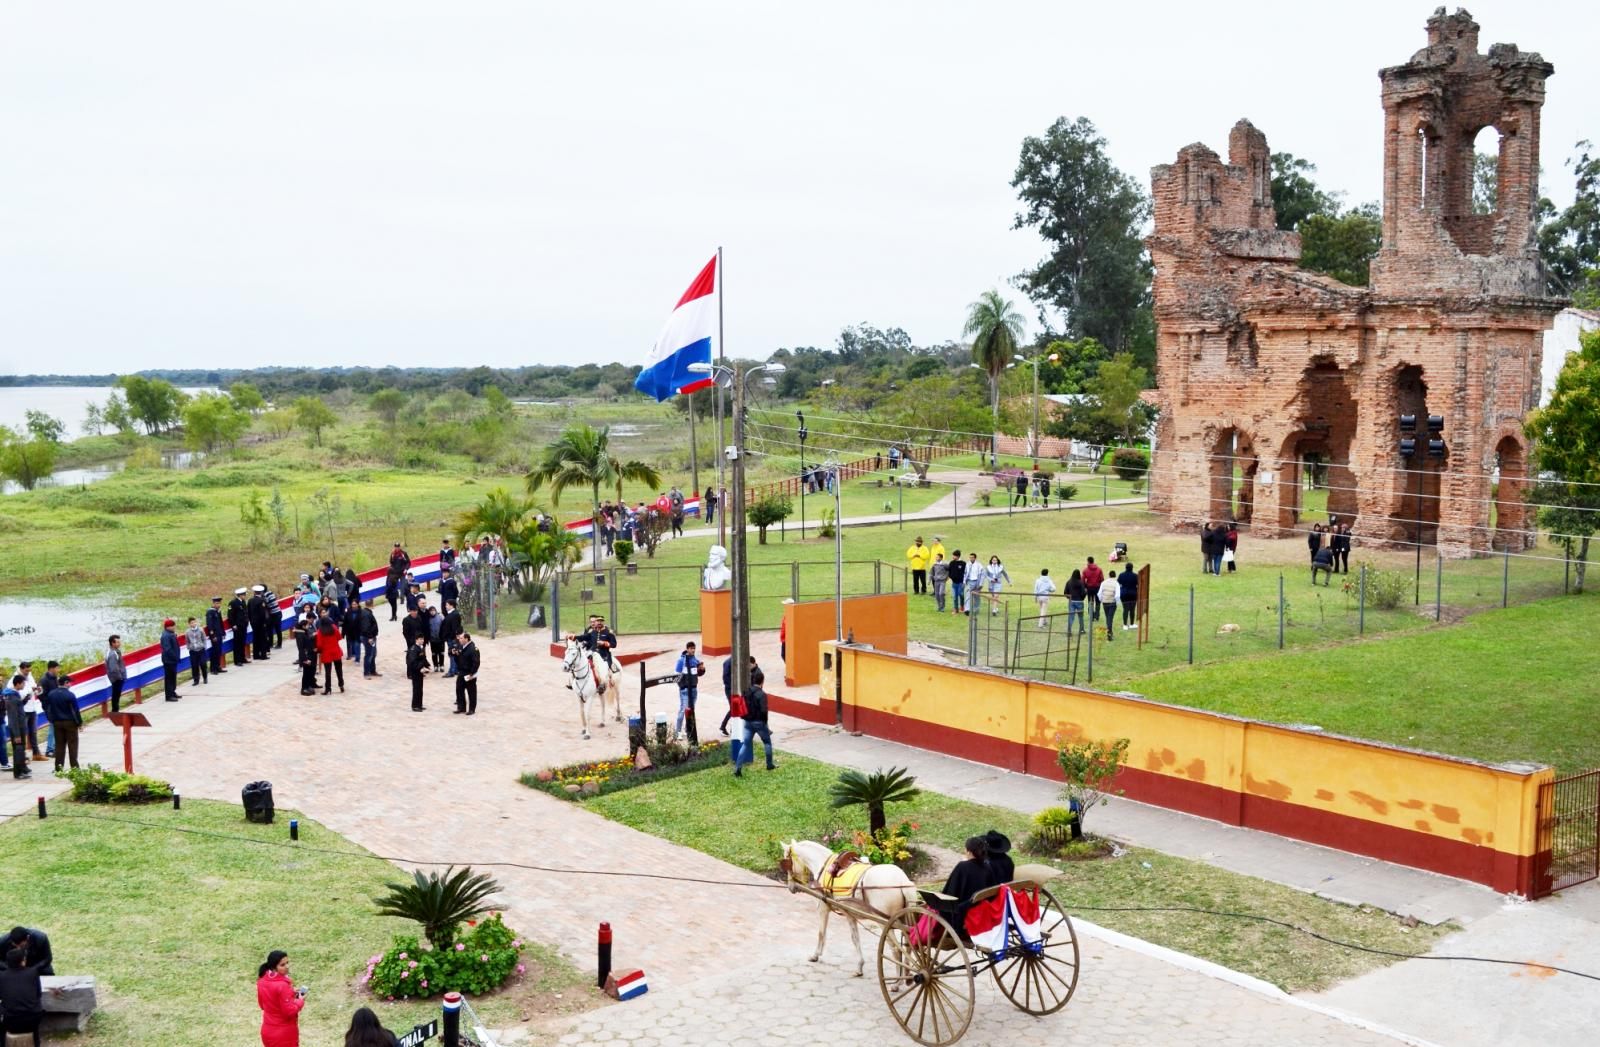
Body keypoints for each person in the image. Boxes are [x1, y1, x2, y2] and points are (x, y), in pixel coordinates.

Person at [934, 836, 994, 934]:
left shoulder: (962, 866)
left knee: (938, 905)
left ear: (969, 851)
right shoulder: (987, 867)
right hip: (981, 908)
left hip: (962, 913)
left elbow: (951, 891)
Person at [256, 950, 305, 1047]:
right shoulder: (282, 985)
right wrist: (300, 1001)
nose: (287, 966)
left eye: (287, 963)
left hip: (267, 1032)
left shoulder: (261, 982)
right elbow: (289, 1012)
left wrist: (290, 994)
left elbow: (263, 1005)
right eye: (282, 965)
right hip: (284, 1035)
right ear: (274, 967)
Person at [733, 667, 775, 776]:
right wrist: (765, 724)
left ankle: (738, 768)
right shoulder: (762, 694)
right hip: (759, 722)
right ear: (762, 681)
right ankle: (769, 764)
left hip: (747, 722)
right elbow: (764, 711)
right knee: (767, 742)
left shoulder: (747, 692)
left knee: (745, 744)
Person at [0, 946, 44, 1047]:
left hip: (11, 1021)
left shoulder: (2, 976)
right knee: (34, 1024)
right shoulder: (33, 973)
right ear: (22, 961)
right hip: (33, 1019)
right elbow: (38, 994)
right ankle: (36, 1043)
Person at [673, 641, 704, 737]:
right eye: (691, 648)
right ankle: (677, 732)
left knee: (690, 711)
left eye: (694, 648)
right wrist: (682, 687)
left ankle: (688, 730)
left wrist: (702, 670)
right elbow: (676, 676)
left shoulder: (696, 661)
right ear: (687, 649)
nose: (693, 650)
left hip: (694, 690)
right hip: (685, 690)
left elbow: (699, 674)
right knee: (683, 710)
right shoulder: (681, 661)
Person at [4, 677, 30, 779]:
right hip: (17, 729)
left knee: (20, 749)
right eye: (23, 683)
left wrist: (24, 701)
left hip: (20, 727)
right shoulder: (11, 697)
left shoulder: (15, 696)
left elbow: (18, 709)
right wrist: (17, 734)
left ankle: (22, 769)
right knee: (18, 751)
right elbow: (13, 717)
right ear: (18, 684)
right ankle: (18, 773)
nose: (24, 685)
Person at [315, 616, 345, 695]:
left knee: (328, 672)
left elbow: (319, 645)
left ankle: (328, 688)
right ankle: (341, 685)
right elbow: (339, 637)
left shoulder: (320, 631)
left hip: (326, 653)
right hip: (336, 651)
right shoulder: (334, 628)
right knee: (339, 670)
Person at [454, 631, 479, 715]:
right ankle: (461, 707)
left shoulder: (473, 649)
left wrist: (472, 673)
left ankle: (472, 709)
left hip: (469, 673)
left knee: (471, 691)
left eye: (461, 638)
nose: (459, 640)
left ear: (466, 639)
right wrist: (455, 654)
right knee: (459, 689)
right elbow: (460, 658)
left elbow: (476, 662)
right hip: (461, 671)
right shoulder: (462, 646)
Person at [159, 618, 184, 701]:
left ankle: (172, 692)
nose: (174, 627)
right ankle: (169, 696)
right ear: (168, 627)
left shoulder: (170, 633)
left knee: (173, 677)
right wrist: (175, 657)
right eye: (173, 626)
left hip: (172, 660)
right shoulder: (166, 636)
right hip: (169, 660)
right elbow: (167, 649)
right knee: (169, 678)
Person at [294, 615, 318, 696]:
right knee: (306, 674)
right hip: (306, 657)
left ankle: (308, 686)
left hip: (309, 655)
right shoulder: (300, 636)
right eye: (307, 625)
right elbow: (301, 649)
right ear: (303, 626)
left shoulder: (304, 633)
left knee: (308, 673)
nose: (308, 626)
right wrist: (305, 659)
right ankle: (304, 688)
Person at [406, 634, 430, 712]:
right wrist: (420, 668)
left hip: (420, 671)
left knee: (420, 689)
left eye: (423, 639)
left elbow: (423, 658)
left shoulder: (421, 648)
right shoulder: (413, 649)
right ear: (416, 640)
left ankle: (419, 704)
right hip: (415, 672)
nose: (422, 641)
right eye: (420, 639)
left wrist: (427, 665)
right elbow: (412, 662)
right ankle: (415, 706)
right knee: (416, 689)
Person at [205, 598, 229, 675]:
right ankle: (213, 668)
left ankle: (218, 666)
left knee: (219, 651)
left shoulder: (218, 611)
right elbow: (210, 625)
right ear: (213, 604)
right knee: (214, 652)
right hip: (215, 635)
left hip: (219, 634)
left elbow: (220, 623)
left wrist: (223, 633)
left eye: (219, 603)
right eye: (217, 603)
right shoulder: (210, 612)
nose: (218, 605)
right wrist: (213, 635)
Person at [358, 599, 381, 678]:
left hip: (370, 636)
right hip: (369, 637)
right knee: (369, 654)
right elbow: (366, 627)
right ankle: (366, 673)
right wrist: (370, 637)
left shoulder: (366, 612)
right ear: (372, 604)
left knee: (373, 654)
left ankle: (372, 670)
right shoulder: (366, 614)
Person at [105, 634, 127, 713]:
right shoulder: (112, 654)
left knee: (116, 695)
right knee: (116, 695)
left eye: (119, 642)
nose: (119, 643)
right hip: (117, 678)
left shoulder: (115, 651)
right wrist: (120, 677)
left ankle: (115, 711)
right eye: (117, 642)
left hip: (117, 678)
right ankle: (115, 711)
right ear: (112, 643)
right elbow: (113, 668)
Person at [229, 588, 251, 664]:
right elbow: (230, 615)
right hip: (237, 626)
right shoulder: (233, 603)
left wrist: (247, 620)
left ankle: (242, 658)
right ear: (240, 595)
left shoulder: (243, 602)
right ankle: (237, 660)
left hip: (243, 625)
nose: (245, 596)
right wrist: (233, 625)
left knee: (242, 642)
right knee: (237, 643)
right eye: (244, 595)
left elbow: (245, 612)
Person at [1096, 571, 1120, 641]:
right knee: (1110, 618)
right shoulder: (1116, 583)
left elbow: (1099, 593)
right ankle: (1109, 634)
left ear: (1109, 575)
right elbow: (1117, 595)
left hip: (1105, 602)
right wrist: (1117, 602)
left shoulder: (1103, 583)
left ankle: (1110, 632)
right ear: (1115, 576)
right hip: (1112, 603)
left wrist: (1102, 600)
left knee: (1108, 617)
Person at [1064, 568, 1088, 636]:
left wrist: (1069, 598)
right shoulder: (1081, 582)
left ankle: (1069, 631)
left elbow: (1065, 592)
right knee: (1081, 616)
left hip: (1071, 601)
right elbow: (1083, 592)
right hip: (1079, 601)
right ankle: (1082, 630)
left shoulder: (1069, 582)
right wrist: (1083, 597)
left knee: (1071, 616)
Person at [186, 617, 209, 686]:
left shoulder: (200, 630)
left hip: (201, 650)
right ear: (189, 624)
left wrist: (204, 646)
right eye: (191, 623)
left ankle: (205, 677)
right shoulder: (187, 632)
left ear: (196, 622)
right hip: (193, 651)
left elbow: (204, 638)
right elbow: (187, 641)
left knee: (203, 664)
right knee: (194, 666)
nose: (193, 624)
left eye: (194, 622)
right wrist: (189, 647)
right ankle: (196, 680)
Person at [1118, 563, 1139, 630]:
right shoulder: (1135, 576)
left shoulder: (1121, 575)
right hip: (1133, 594)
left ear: (1125, 568)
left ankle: (1125, 625)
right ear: (1132, 568)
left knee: (1125, 609)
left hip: (1124, 594)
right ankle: (1132, 624)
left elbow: (1119, 583)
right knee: (1132, 609)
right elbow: (1138, 584)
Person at [946, 550, 966, 617]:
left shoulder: (963, 563)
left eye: (954, 556)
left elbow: (965, 573)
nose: (953, 557)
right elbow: (950, 571)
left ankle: (962, 606)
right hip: (954, 583)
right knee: (955, 597)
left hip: (961, 583)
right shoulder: (951, 563)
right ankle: (956, 609)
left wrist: (964, 582)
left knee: (961, 594)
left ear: (957, 556)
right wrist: (949, 577)